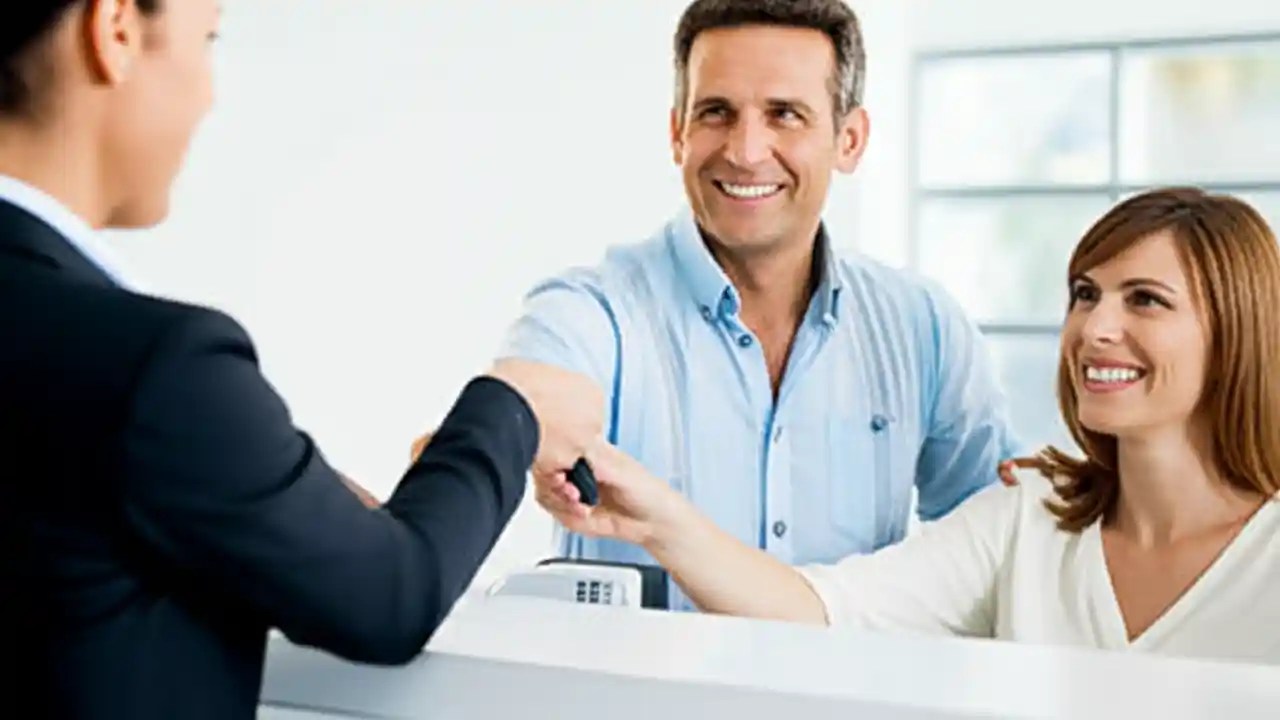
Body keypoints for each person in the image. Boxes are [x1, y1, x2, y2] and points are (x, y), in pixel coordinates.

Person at [0, 2, 602, 718]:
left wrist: (269, 489)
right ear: (116, 30)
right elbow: (391, 597)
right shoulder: (155, 365)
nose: (210, 92)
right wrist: (514, 407)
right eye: (208, 40)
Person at [537, 187, 1280, 664]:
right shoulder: (1032, 517)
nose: (1095, 328)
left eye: (1145, 300)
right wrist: (654, 519)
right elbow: (820, 610)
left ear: (1237, 333)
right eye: (1086, 295)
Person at [497, 0, 1020, 610]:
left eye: (785, 115)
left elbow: (996, 548)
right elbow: (522, 402)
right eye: (716, 113)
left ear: (848, 140)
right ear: (678, 133)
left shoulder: (923, 328)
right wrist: (496, 435)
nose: (746, 151)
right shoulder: (593, 311)